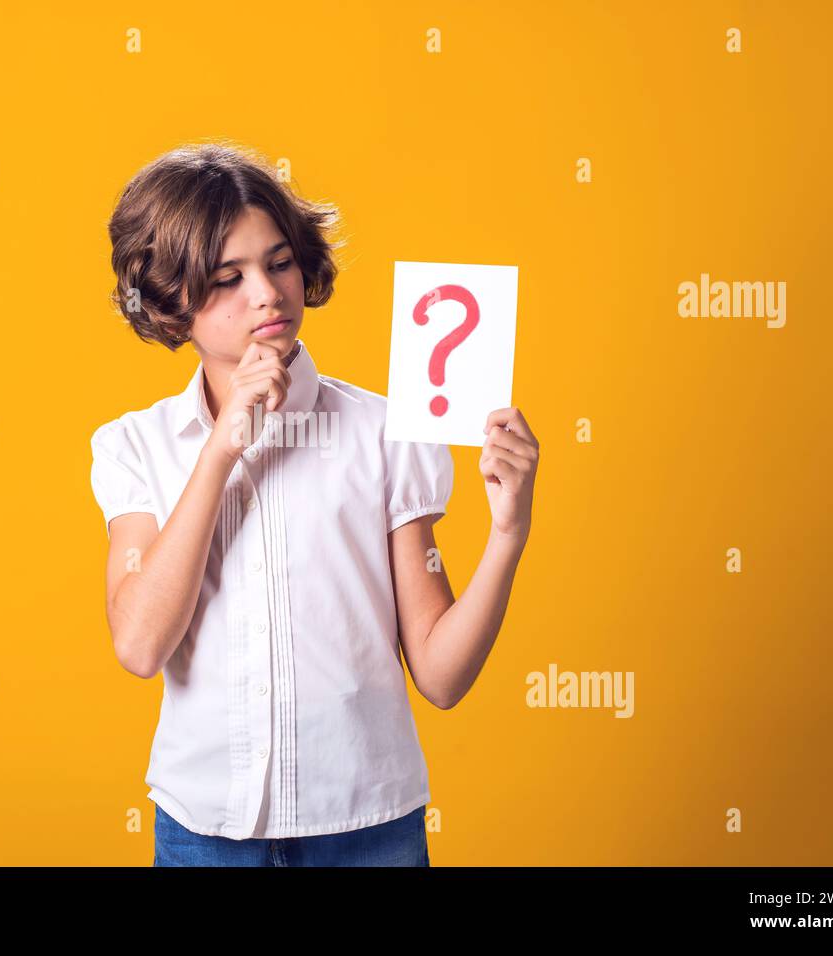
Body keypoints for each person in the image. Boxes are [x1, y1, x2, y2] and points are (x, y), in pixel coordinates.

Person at [90, 141, 539, 866]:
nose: (266, 293)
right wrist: (221, 452)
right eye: (226, 278)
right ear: (173, 301)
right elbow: (140, 645)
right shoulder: (137, 445)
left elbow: (441, 675)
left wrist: (507, 534)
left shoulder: (386, 432)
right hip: (205, 831)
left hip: (367, 829)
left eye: (279, 263)